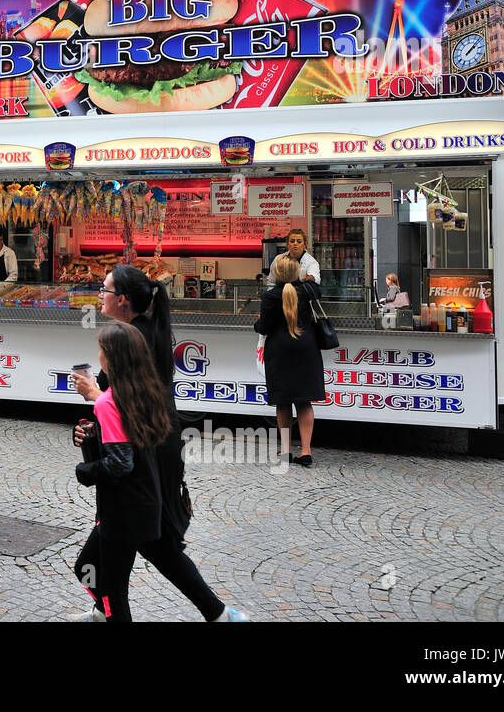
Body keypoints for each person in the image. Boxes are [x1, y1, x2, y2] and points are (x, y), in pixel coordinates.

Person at [68, 321, 246, 623]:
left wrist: (85, 470)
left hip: (122, 509)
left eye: (100, 350)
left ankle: (108, 612)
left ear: (110, 358)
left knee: (113, 594)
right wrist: (95, 436)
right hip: (144, 503)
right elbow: (131, 443)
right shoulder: (144, 392)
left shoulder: (109, 402)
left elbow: (121, 462)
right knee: (91, 569)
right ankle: (218, 615)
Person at [255, 254, 324, 466]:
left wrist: (257, 324)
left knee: (283, 402)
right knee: (304, 401)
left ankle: (285, 449)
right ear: (297, 272)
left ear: (276, 273)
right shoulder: (308, 291)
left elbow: (264, 328)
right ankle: (306, 451)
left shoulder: (270, 297)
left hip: (279, 349)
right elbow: (317, 289)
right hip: (307, 348)